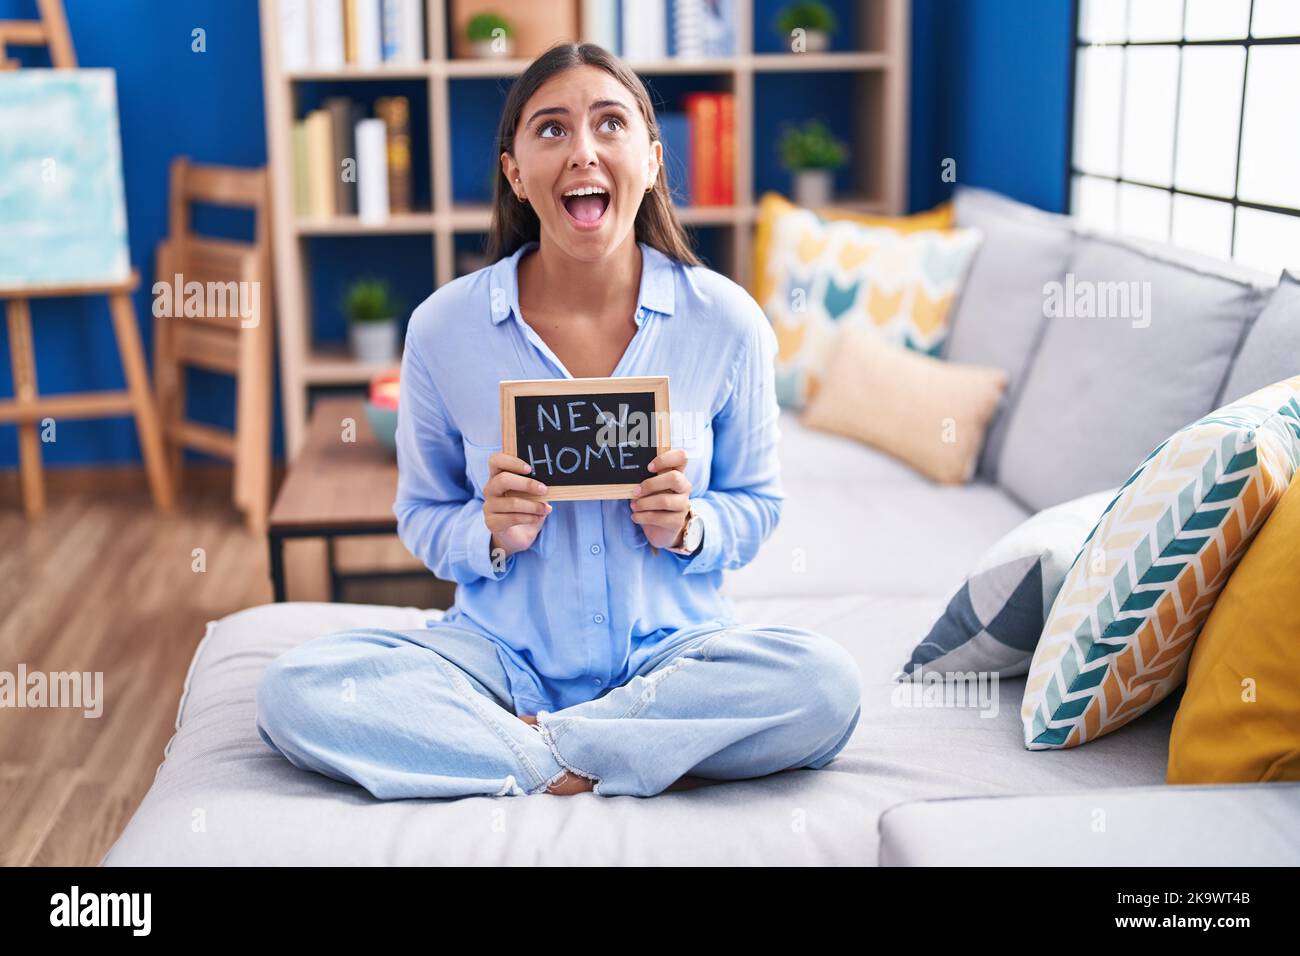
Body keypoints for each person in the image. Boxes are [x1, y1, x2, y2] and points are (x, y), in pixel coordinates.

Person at [255, 41, 862, 799]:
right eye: (551, 129)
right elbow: (420, 514)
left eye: (611, 125)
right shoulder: (444, 329)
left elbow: (759, 504)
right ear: (514, 170)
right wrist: (489, 534)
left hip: (671, 657)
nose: (583, 151)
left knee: (825, 686)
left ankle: (545, 752)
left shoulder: (726, 323)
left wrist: (691, 525)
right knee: (296, 690)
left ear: (652, 159)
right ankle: (585, 757)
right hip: (497, 659)